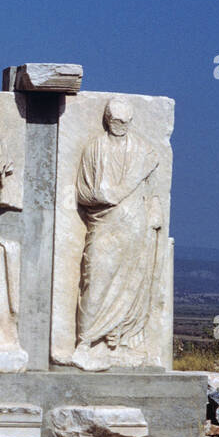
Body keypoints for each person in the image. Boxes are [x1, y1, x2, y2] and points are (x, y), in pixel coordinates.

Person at [72, 99, 163, 364]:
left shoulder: (145, 152)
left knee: (132, 284)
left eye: (125, 121)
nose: (120, 126)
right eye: (116, 121)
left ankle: (118, 342)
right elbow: (82, 193)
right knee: (96, 280)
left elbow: (152, 191)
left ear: (131, 122)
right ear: (108, 120)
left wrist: (154, 216)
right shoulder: (94, 149)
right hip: (104, 224)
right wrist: (101, 196)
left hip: (135, 227)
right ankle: (85, 342)